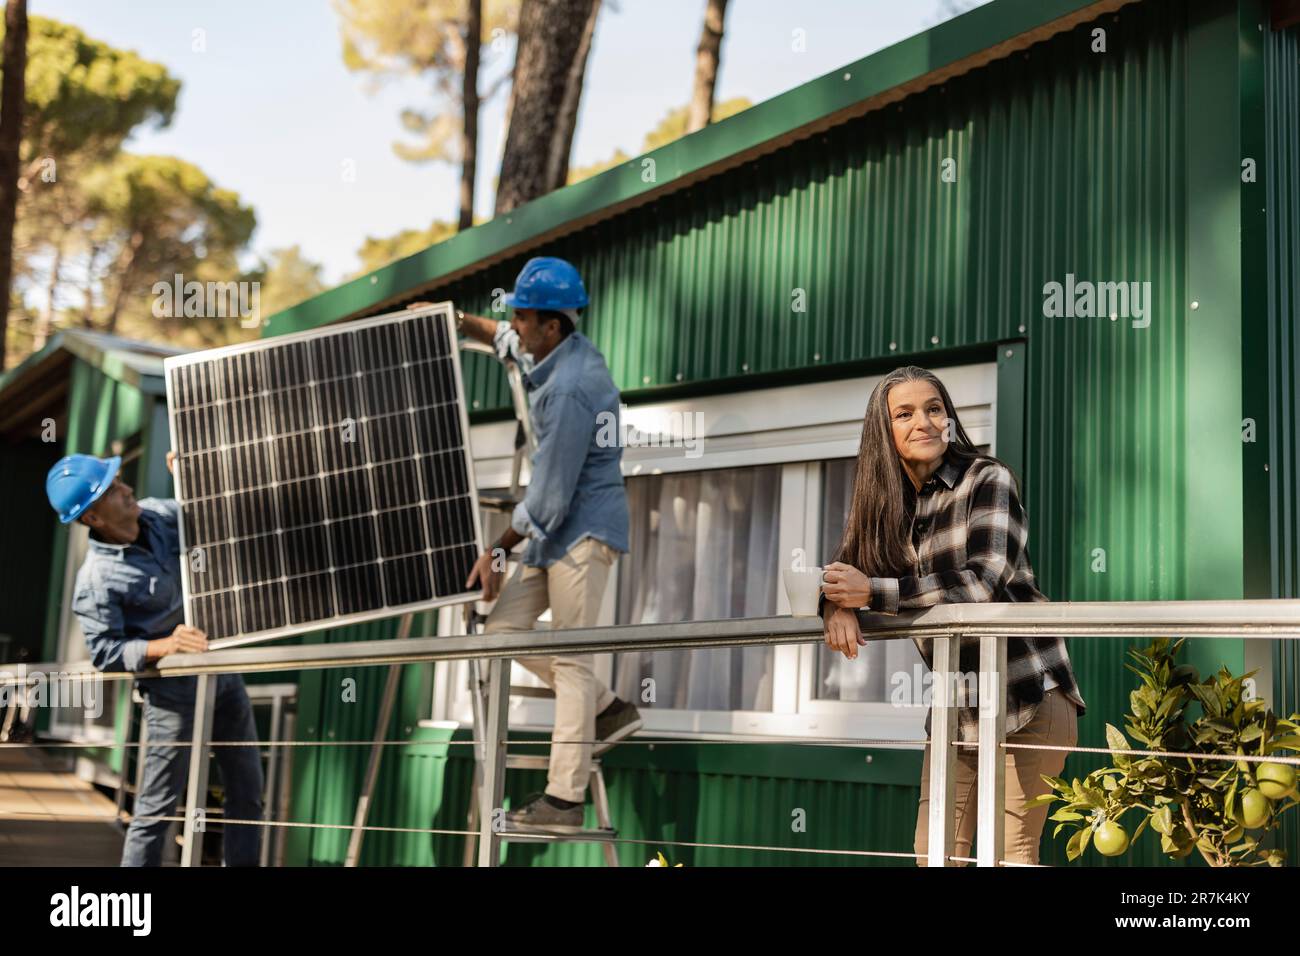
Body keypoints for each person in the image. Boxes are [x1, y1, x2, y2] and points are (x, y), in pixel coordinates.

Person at [819, 366, 1086, 866]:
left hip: (1029, 691)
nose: (924, 422)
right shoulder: (885, 506)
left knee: (1010, 856)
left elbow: (981, 584)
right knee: (934, 855)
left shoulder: (987, 479)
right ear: (883, 431)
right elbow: (841, 571)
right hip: (958, 706)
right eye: (904, 414)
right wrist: (835, 604)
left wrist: (870, 593)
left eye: (934, 408)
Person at [457, 256, 643, 832]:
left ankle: (564, 801)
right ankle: (607, 708)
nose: (514, 323)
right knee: (501, 632)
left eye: (523, 316)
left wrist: (496, 550)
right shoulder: (545, 347)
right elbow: (503, 338)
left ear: (553, 325)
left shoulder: (572, 389)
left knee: (570, 657)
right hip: (553, 534)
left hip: (582, 531)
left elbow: (549, 499)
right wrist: (458, 322)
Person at [47, 452, 264, 866]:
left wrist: (192, 478)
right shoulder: (96, 580)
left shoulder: (158, 515)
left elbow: (209, 519)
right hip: (171, 695)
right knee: (157, 808)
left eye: (119, 481)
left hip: (223, 675)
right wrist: (166, 645)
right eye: (112, 489)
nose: (127, 489)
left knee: (247, 793)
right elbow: (105, 652)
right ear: (93, 517)